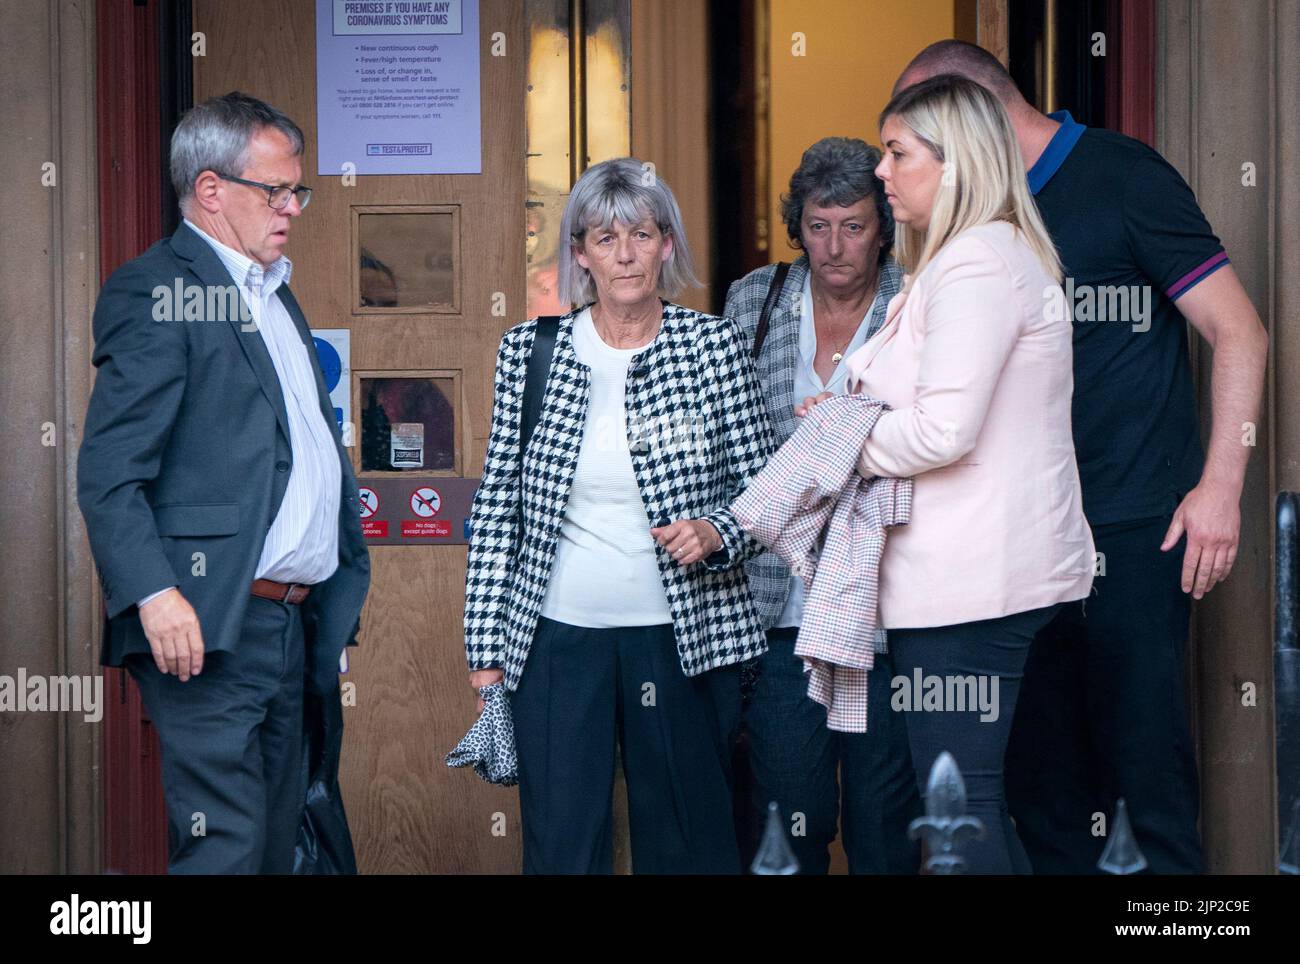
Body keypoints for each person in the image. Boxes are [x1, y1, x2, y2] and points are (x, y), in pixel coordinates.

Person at [895, 41, 1268, 874]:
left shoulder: (1124, 178)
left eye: (916, 137)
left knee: (1147, 783)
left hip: (1132, 531)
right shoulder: (969, 217)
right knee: (1042, 792)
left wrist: (1219, 486)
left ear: (974, 112)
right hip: (1017, 547)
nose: (902, 162)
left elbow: (1238, 329)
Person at [800, 74, 1096, 874]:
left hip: (970, 586)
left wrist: (837, 437)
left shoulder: (976, 263)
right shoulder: (981, 255)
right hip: (973, 582)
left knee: (958, 811)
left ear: (956, 162)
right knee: (972, 803)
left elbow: (944, 429)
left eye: (897, 154)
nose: (883, 172)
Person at [77, 92, 370, 874]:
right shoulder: (159, 290)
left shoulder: (275, 296)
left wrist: (324, 595)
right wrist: (156, 594)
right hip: (205, 623)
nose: (292, 209)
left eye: (297, 191)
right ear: (211, 190)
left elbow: (300, 453)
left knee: (275, 849)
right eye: (275, 191)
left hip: (287, 626)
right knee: (227, 853)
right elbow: (109, 471)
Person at [463, 157, 775, 874]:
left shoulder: (711, 348)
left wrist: (718, 532)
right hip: (556, 642)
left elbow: (766, 490)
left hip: (682, 639)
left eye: (641, 234)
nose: (625, 254)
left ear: (667, 243)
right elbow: (499, 505)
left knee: (689, 842)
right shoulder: (529, 353)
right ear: (579, 254)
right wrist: (484, 651)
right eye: (604, 239)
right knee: (563, 842)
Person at [723, 136, 920, 874]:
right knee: (788, 821)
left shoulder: (916, 303)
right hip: (780, 612)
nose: (835, 247)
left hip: (885, 612)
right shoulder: (757, 299)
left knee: (884, 826)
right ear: (797, 226)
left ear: (884, 226)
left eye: (855, 225)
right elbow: (727, 438)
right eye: (818, 225)